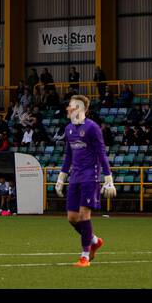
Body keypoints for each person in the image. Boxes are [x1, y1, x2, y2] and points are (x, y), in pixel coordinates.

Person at [54, 94, 114, 267]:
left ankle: (85, 257)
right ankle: (94, 240)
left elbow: (101, 152)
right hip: (75, 177)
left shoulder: (92, 128)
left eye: (72, 106)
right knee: (72, 218)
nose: (68, 108)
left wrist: (108, 178)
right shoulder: (69, 129)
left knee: (83, 215)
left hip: (90, 176)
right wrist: (61, 176)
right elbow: (69, 155)